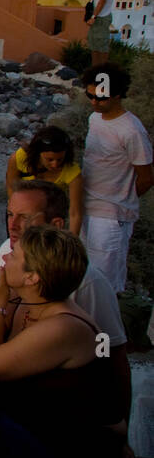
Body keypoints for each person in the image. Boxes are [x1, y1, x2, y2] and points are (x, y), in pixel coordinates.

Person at [0, 225, 127, 458]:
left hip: (79, 446)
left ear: (32, 277)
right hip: (37, 428)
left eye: (14, 255)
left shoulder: (64, 326)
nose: (4, 257)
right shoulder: (21, 299)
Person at [0, 179, 130, 420]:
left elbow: (112, 353)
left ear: (56, 224)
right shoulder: (7, 252)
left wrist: (118, 423)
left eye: (24, 217)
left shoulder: (88, 281)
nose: (12, 226)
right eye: (9, 214)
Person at [79, 63, 153, 293]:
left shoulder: (131, 131)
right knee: (80, 278)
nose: (94, 102)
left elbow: (146, 177)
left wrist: (121, 197)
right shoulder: (95, 118)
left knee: (104, 285)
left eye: (100, 98)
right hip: (84, 208)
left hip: (111, 217)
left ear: (117, 95)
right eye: (89, 96)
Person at [4, 126, 83, 234]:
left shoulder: (72, 172)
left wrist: (72, 244)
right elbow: (11, 188)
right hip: (21, 213)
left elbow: (75, 213)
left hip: (48, 218)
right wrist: (15, 214)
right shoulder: (20, 158)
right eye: (49, 159)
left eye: (60, 159)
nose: (55, 164)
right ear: (38, 153)